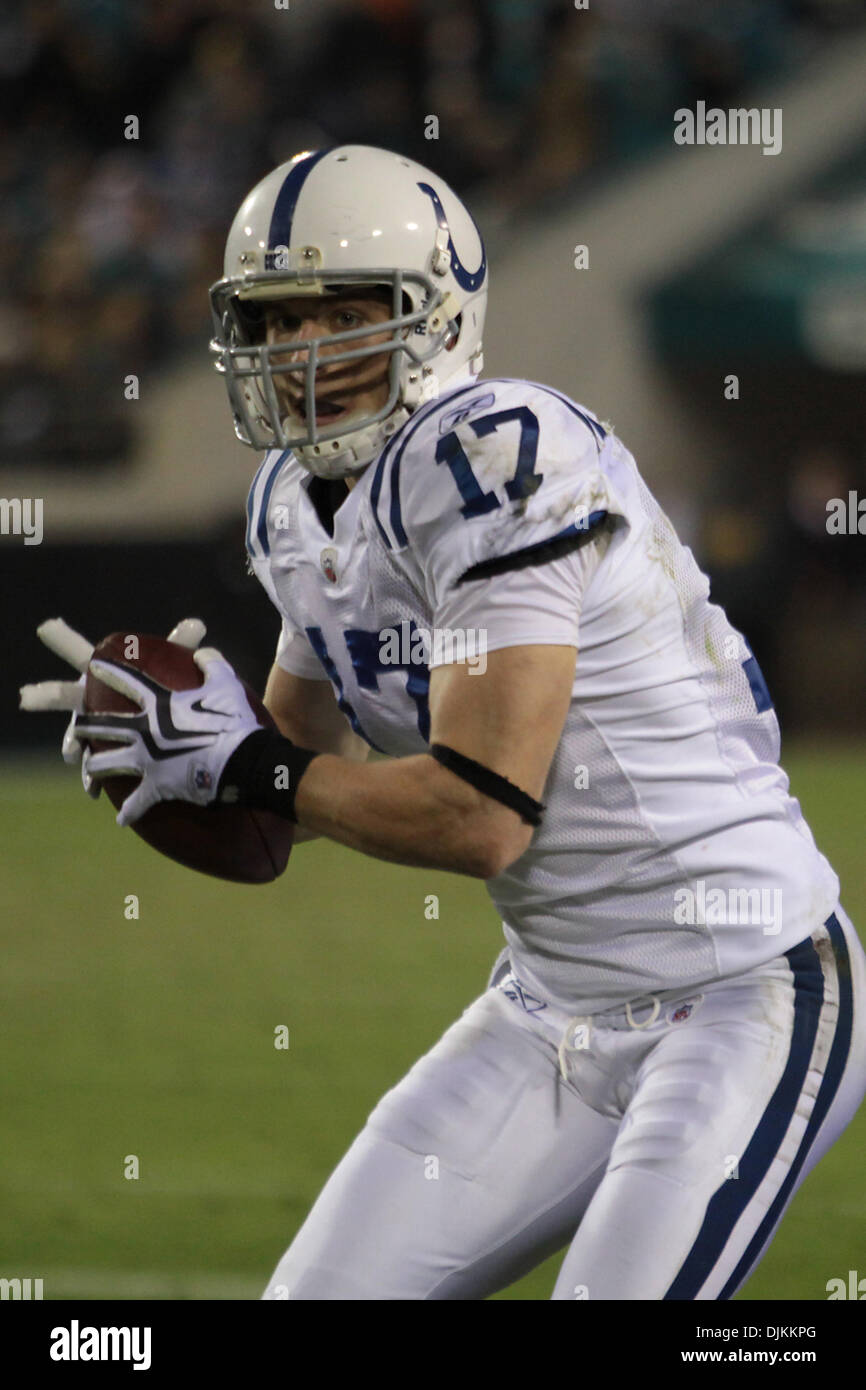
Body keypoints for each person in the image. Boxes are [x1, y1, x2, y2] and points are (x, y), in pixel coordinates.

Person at [22, 145, 866, 1300]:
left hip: (741, 987)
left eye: (332, 317)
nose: (293, 354)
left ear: (432, 315)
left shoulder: (496, 459)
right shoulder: (289, 503)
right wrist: (175, 758)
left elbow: (480, 815)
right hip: (545, 1008)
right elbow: (291, 784)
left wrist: (253, 767)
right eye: (270, 325)